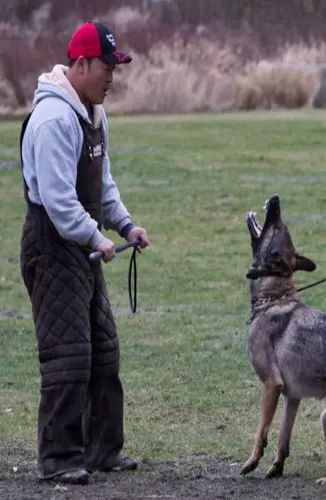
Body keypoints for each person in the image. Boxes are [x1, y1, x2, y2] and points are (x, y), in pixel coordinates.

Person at [19, 21, 150, 485]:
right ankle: (58, 459)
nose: (113, 77)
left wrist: (126, 224)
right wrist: (95, 237)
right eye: (107, 68)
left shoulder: (93, 113)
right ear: (80, 65)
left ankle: (102, 450)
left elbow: (101, 184)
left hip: (81, 246)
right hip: (52, 248)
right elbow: (57, 200)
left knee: (103, 349)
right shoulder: (54, 119)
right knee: (67, 354)